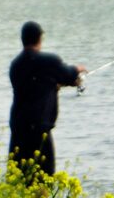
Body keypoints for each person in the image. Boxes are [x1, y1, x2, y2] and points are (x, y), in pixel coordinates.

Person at [8, 21, 85, 184]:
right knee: (44, 177)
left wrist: (55, 85)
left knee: (19, 178)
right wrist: (78, 69)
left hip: (18, 128)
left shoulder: (15, 65)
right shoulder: (49, 61)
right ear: (40, 38)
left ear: (22, 39)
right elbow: (68, 74)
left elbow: (35, 85)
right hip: (39, 130)